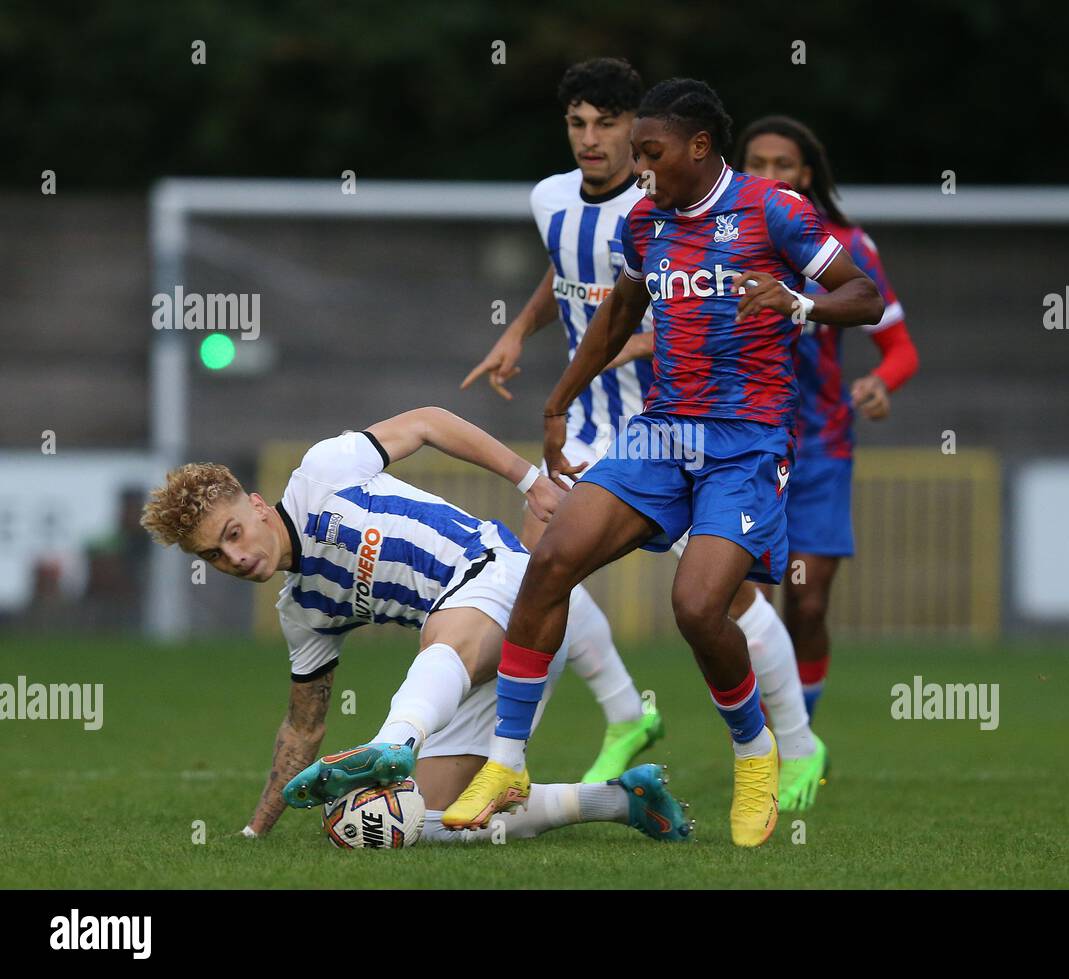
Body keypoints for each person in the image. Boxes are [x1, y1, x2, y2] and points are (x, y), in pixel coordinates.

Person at [445, 78, 883, 847]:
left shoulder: (772, 210)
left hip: (746, 444)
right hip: (660, 433)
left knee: (697, 606)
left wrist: (798, 303)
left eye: (652, 152)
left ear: (700, 147)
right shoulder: (648, 222)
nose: (640, 168)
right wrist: (558, 403)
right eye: (636, 153)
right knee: (550, 562)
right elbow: (619, 313)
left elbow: (865, 294)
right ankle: (508, 758)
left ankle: (756, 750)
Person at [138, 406, 690, 843]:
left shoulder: (322, 472)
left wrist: (529, 480)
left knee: (440, 635)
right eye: (213, 555)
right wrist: (256, 830)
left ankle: (390, 741)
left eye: (232, 533)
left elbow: (428, 421)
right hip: (472, 667)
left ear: (257, 505)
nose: (232, 557)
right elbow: (303, 728)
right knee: (413, 824)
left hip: (504, 578)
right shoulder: (301, 610)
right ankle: (618, 802)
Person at [737, 115, 918, 724]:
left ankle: (802, 733)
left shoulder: (843, 245)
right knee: (748, 607)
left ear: (806, 174)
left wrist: (877, 384)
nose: (769, 176)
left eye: (782, 165)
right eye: (756, 164)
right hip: (749, 448)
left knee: (807, 607)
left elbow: (901, 349)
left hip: (820, 452)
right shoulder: (722, 239)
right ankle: (762, 745)